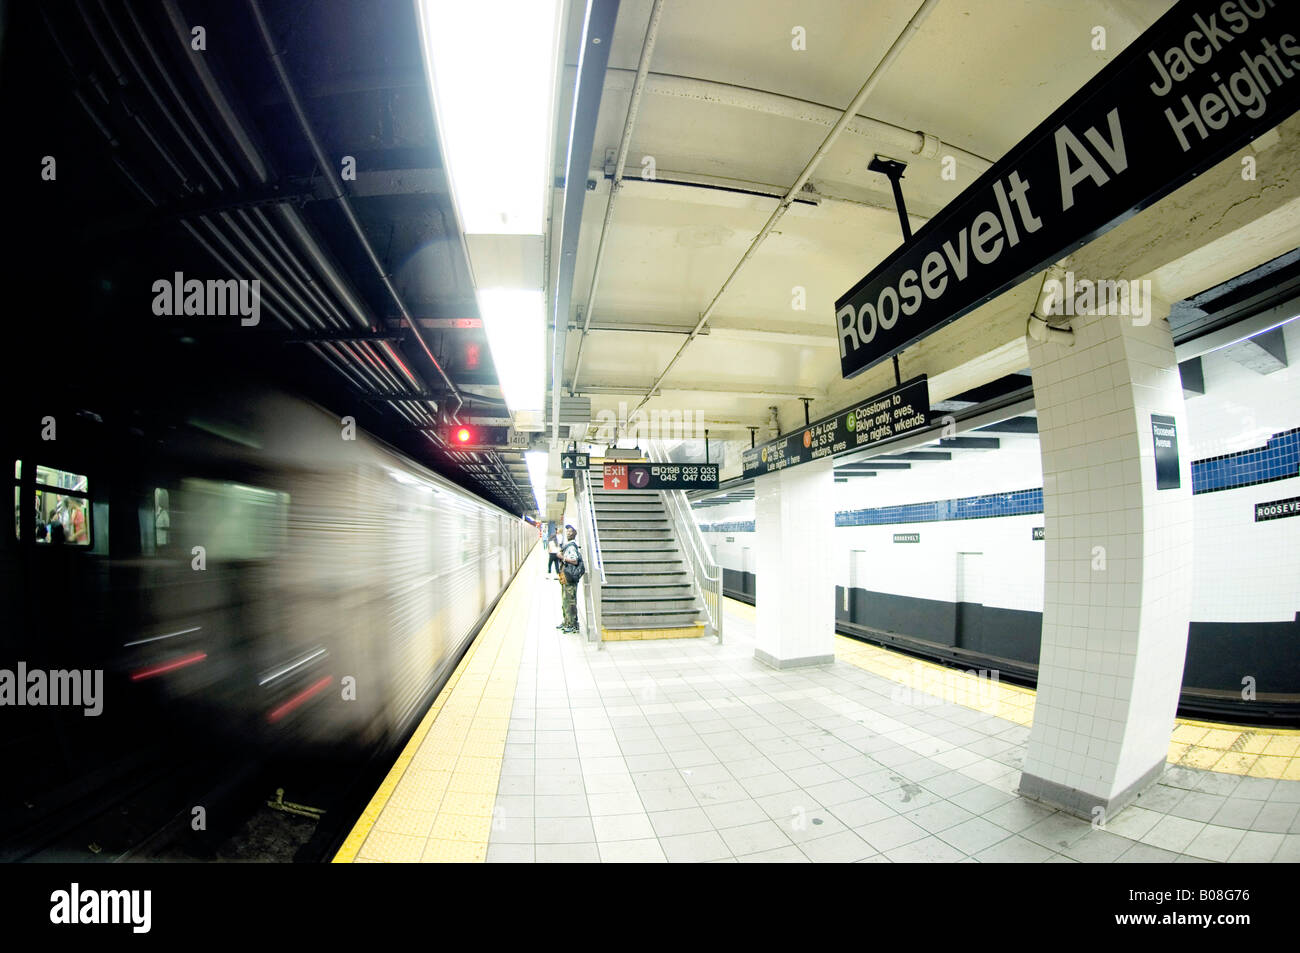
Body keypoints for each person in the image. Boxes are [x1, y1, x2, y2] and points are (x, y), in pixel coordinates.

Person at [557, 525, 582, 634]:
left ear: (573, 534)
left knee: (570, 601)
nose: (568, 533)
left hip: (570, 577)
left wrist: (562, 557)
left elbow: (575, 561)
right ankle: (566, 621)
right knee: (565, 600)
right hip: (565, 577)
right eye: (567, 531)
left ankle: (572, 624)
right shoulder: (569, 545)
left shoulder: (572, 546)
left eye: (570, 531)